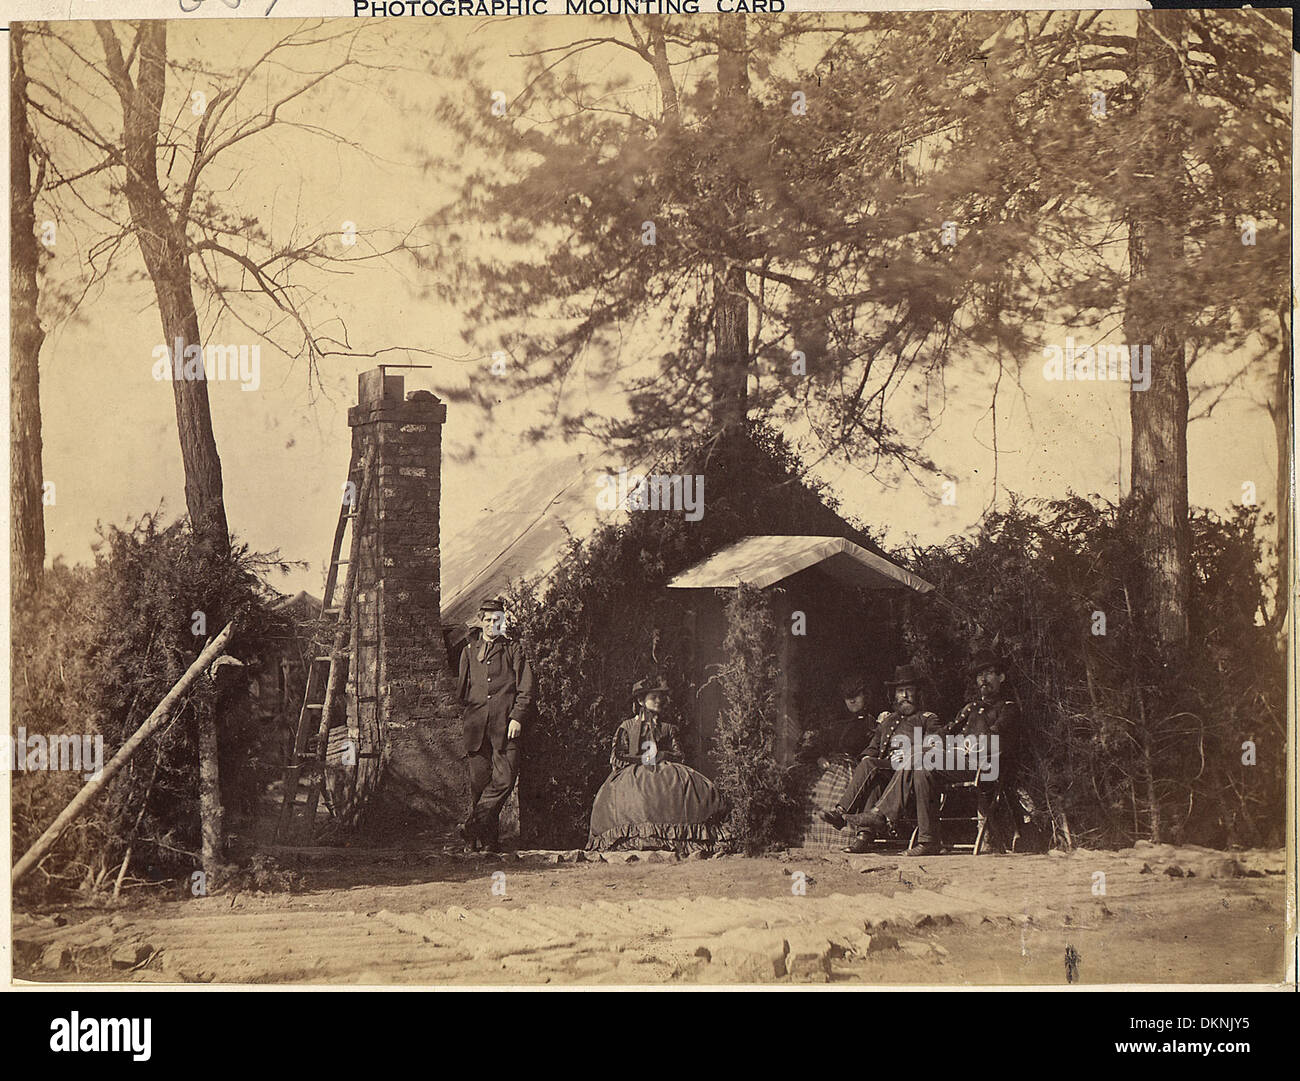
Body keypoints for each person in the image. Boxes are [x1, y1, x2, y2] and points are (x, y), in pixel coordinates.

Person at [851, 648, 1019, 856]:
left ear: (1001, 677)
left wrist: (962, 745)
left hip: (983, 766)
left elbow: (995, 739)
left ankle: (880, 813)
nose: (983, 679)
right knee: (921, 769)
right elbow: (946, 730)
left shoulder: (1008, 708)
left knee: (920, 757)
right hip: (958, 763)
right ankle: (929, 840)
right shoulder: (970, 707)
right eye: (979, 675)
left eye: (989, 673)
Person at [586, 677, 726, 854]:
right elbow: (617, 757)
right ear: (640, 700)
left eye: (661, 697)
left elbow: (679, 755)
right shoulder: (627, 727)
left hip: (666, 772)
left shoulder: (668, 728)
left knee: (686, 789)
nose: (659, 701)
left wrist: (662, 756)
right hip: (632, 775)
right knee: (631, 794)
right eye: (654, 697)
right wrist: (643, 760)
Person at [820, 663, 942, 849]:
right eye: (900, 691)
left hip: (911, 770)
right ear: (894, 695)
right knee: (870, 766)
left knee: (872, 766)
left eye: (909, 690)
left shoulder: (927, 718)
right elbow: (873, 748)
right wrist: (867, 757)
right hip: (888, 769)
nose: (905, 696)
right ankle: (863, 837)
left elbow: (934, 745)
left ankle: (841, 813)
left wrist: (912, 751)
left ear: (917, 693)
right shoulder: (888, 721)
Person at [456, 596, 535, 851]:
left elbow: (526, 689)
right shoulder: (468, 651)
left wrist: (517, 717)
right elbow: (462, 691)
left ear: (503, 621)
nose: (493, 625)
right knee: (479, 786)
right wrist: (474, 715)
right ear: (481, 621)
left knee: (505, 780)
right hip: (477, 730)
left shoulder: (513, 650)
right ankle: (487, 842)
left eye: (497, 620)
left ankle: (470, 827)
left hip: (506, 728)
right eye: (488, 620)